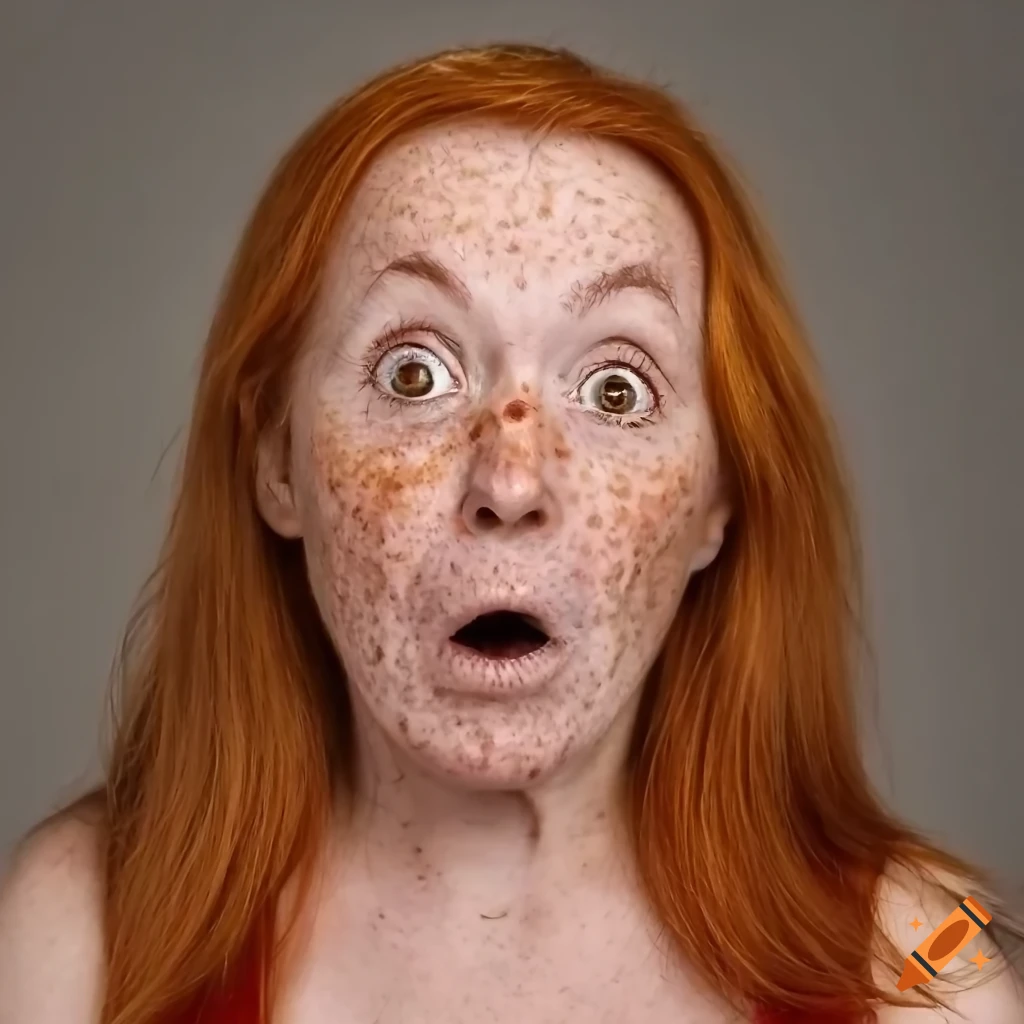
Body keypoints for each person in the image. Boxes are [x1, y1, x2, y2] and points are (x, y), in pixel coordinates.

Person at [0, 43, 1021, 1024]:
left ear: (720, 497)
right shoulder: (79, 941)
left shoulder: (920, 978)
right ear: (279, 462)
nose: (512, 479)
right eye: (414, 373)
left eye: (616, 388)